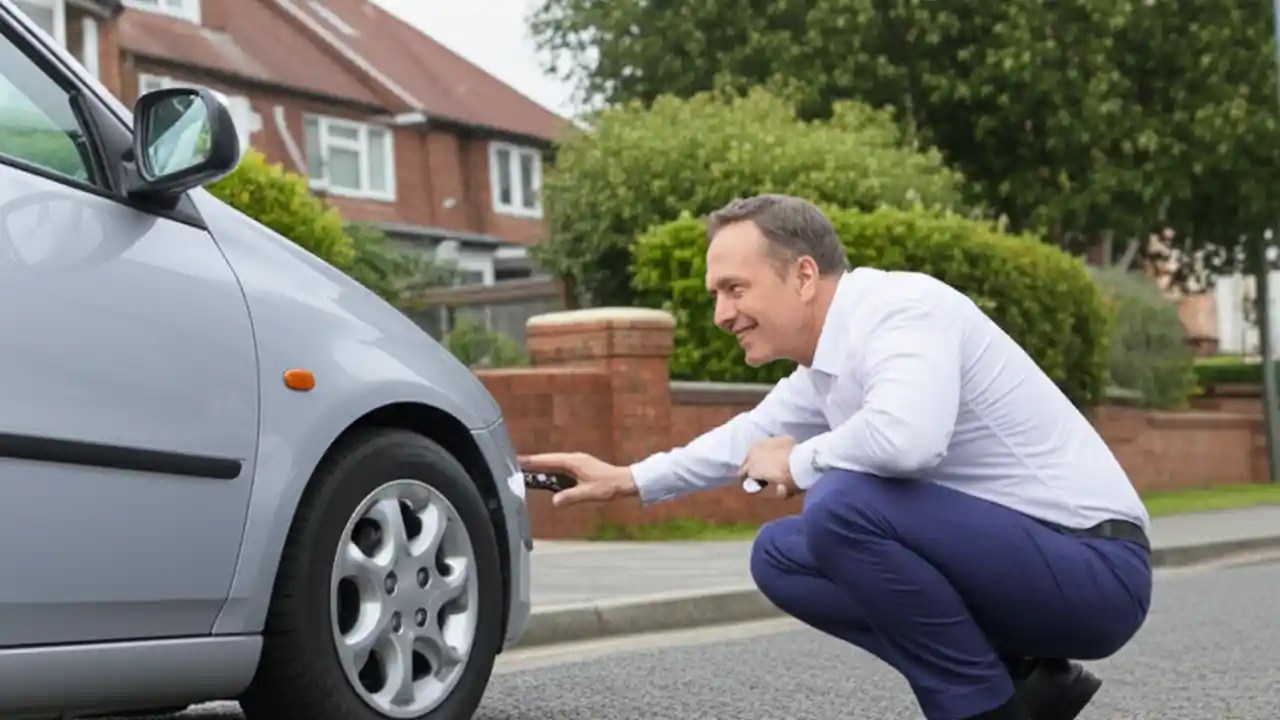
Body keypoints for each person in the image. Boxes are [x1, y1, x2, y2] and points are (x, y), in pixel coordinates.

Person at [520, 194, 1152, 720]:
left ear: (801, 275)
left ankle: (982, 710)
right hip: (1023, 566)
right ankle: (1010, 690)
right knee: (781, 556)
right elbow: (746, 438)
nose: (720, 314)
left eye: (735, 289)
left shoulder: (903, 311)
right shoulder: (825, 365)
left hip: (1093, 567)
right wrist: (627, 479)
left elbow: (907, 438)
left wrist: (799, 462)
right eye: (717, 294)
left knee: (841, 504)